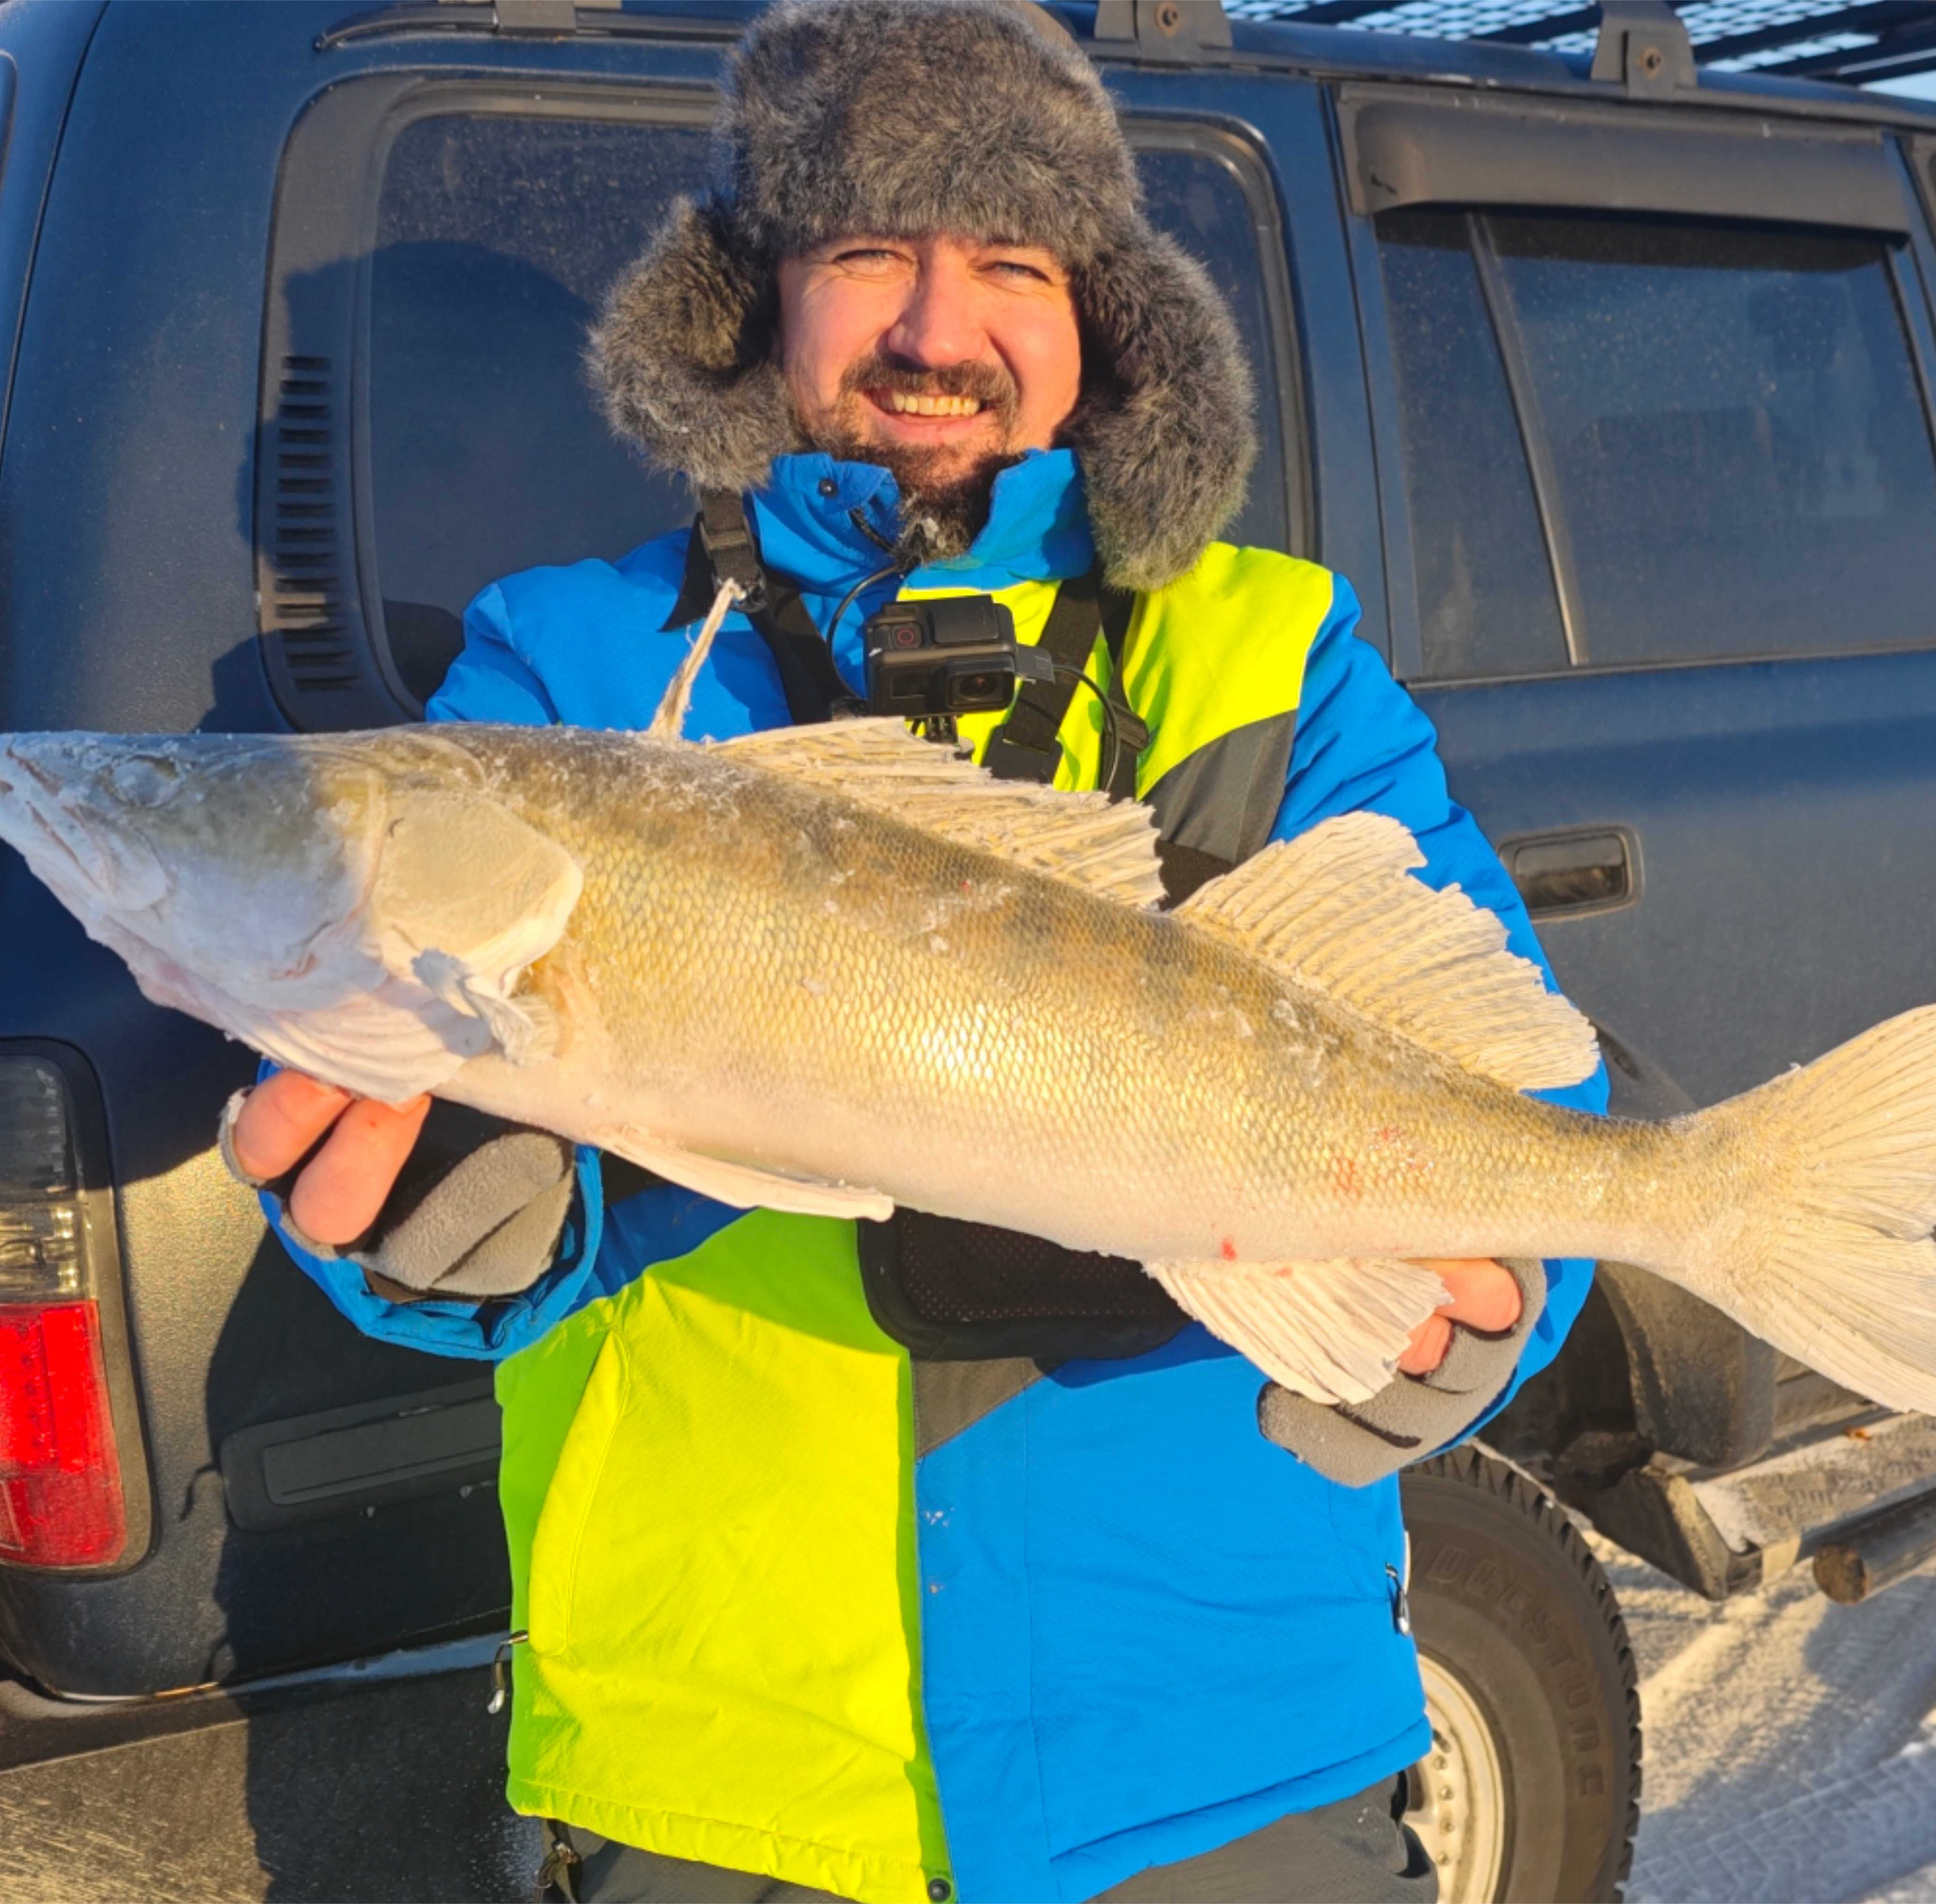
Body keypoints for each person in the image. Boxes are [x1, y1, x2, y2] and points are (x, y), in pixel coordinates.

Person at [225, 3, 1606, 1897]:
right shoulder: (574, 677)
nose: (938, 330)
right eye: (869, 250)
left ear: (1096, 315)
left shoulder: (1272, 657)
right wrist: (451, 1232)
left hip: (1220, 1753)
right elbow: (482, 1173)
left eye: (1010, 264)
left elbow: (1527, 1103)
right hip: (724, 1774)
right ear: (760, 298)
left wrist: (1491, 1309)